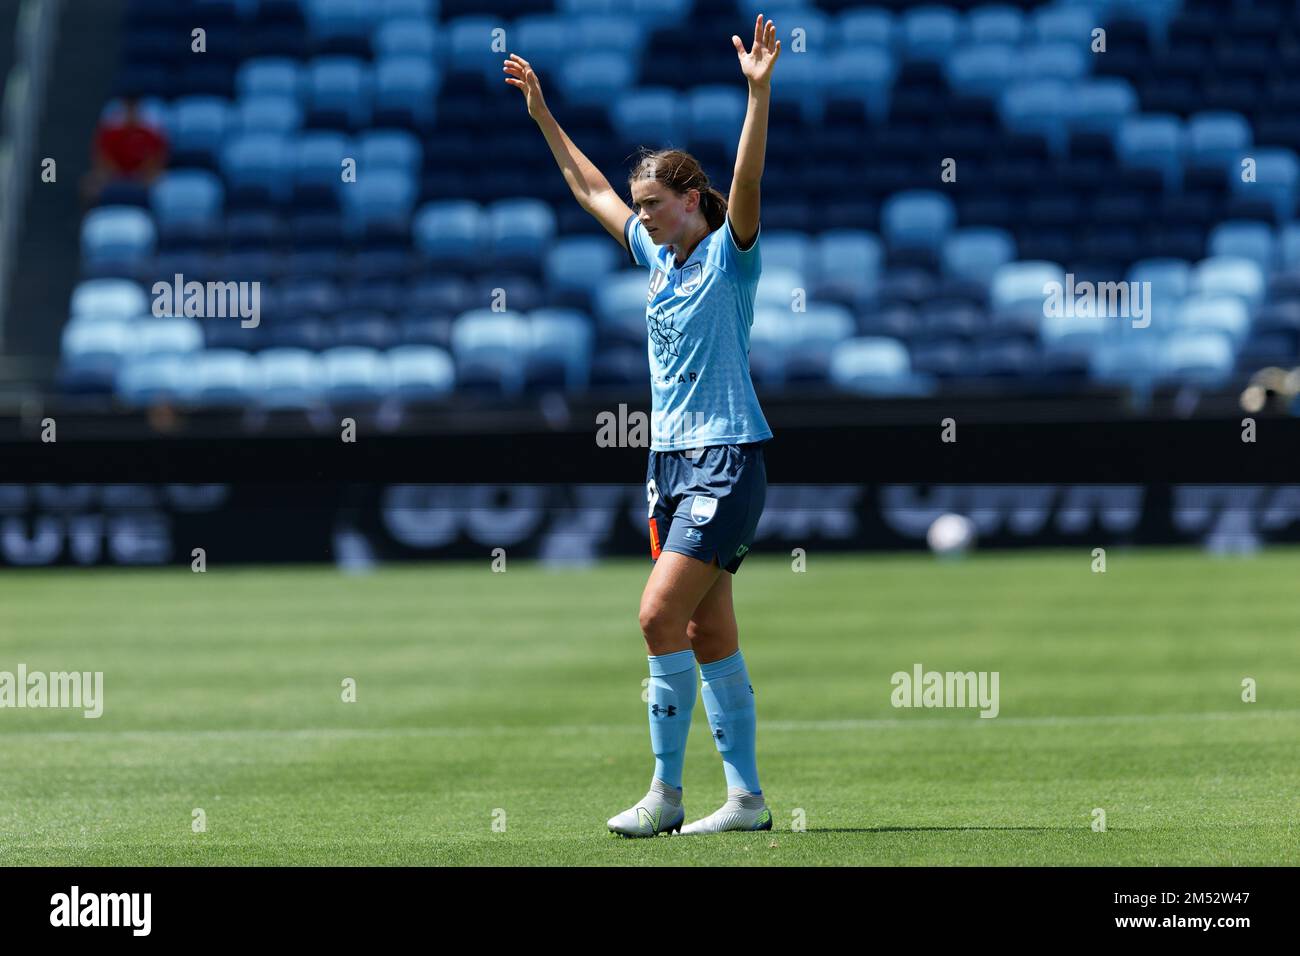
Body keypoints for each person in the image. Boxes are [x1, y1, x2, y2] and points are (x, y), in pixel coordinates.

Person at [505, 14, 781, 837]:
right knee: (704, 628)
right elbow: (590, 188)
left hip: (726, 458)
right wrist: (546, 118)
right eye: (641, 207)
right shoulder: (656, 257)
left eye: (656, 204)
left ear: (693, 199)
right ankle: (749, 802)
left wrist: (757, 95)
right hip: (668, 466)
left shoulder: (730, 254)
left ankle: (664, 795)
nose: (644, 216)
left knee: (657, 616)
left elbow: (750, 179)